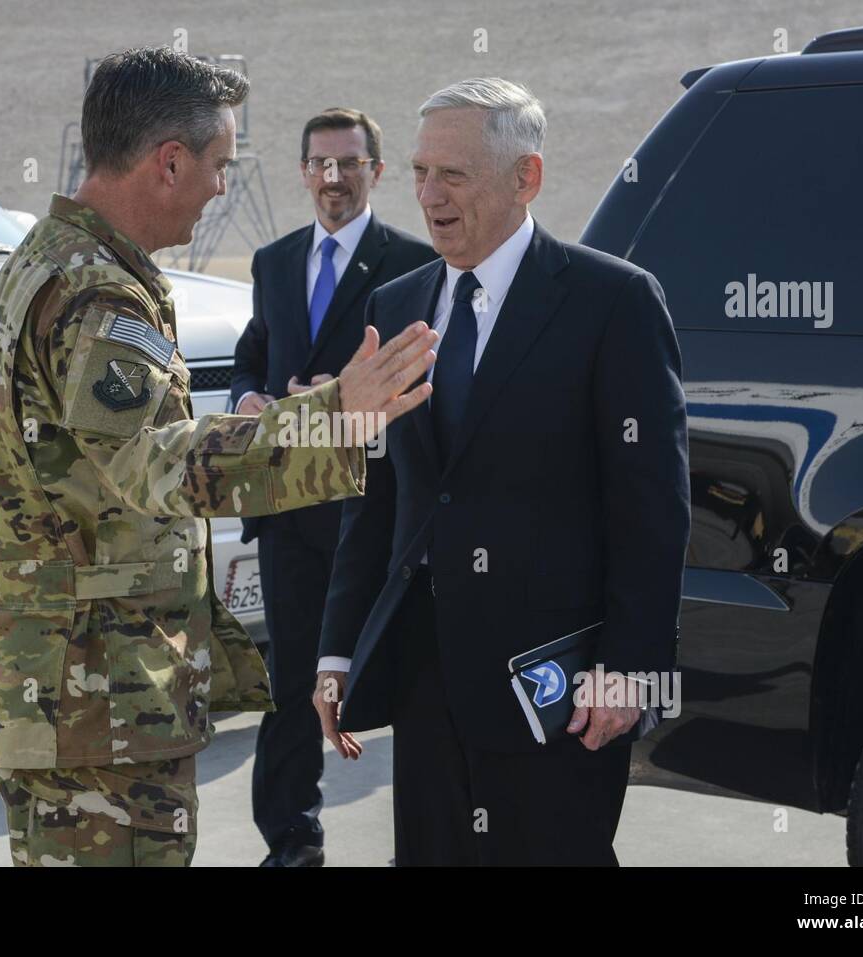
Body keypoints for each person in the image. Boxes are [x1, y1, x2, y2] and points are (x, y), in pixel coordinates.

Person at [0, 46, 438, 867]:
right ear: (169, 162)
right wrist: (336, 417)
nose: (224, 186)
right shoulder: (94, 292)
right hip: (98, 707)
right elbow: (158, 465)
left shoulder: (55, 260)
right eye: (219, 165)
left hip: (77, 694)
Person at [314, 77, 690, 866]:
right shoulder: (396, 304)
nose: (429, 196)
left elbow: (652, 509)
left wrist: (630, 667)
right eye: (420, 172)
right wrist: (339, 651)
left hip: (555, 684)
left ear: (526, 178)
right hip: (425, 678)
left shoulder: (612, 302)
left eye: (453, 174)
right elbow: (374, 497)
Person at [230, 107, 435, 867]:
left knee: (396, 678)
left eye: (349, 163)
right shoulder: (274, 261)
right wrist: (250, 397)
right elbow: (254, 353)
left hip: (372, 512)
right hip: (290, 511)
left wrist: (341, 398)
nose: (334, 177)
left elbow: (426, 377)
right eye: (320, 163)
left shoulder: (414, 263)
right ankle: (292, 840)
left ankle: (430, 838)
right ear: (303, 172)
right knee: (289, 685)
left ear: (375, 172)